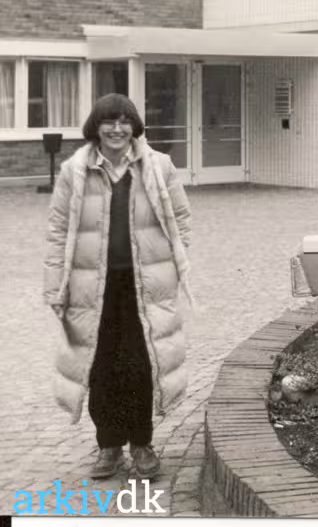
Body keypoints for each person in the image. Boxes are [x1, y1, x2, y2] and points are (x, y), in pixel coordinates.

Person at [44, 93, 193, 480]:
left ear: (135, 126)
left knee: (142, 363)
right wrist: (54, 287)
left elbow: (181, 221)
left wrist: (174, 269)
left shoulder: (158, 167)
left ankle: (142, 443)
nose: (117, 129)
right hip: (92, 287)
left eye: (125, 121)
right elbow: (58, 232)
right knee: (101, 365)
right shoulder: (73, 171)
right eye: (109, 121)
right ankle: (109, 445)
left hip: (144, 284)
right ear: (96, 126)